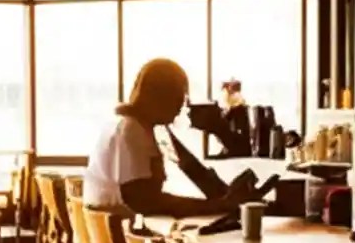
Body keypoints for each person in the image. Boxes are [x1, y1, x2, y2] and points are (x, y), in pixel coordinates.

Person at [83, 58, 255, 217]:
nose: (182, 105)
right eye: (179, 96)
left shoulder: (141, 125)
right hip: (125, 230)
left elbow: (191, 167)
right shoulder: (132, 131)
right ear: (160, 97)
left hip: (117, 228)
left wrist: (225, 197)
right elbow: (145, 202)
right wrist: (217, 205)